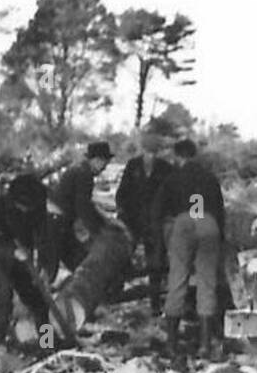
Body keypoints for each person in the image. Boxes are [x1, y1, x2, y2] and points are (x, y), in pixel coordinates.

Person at [153, 138, 226, 361]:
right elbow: (220, 212)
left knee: (177, 280)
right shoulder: (210, 177)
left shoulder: (172, 178)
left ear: (177, 156)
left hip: (184, 223)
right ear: (194, 155)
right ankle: (205, 346)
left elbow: (158, 211)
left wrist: (158, 244)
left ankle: (172, 345)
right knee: (207, 283)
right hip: (208, 224)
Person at [0, 173, 53, 341]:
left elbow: (43, 237)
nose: (27, 210)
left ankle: (47, 342)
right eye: (24, 206)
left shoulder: (38, 207)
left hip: (22, 253)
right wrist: (13, 250)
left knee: (38, 300)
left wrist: (45, 266)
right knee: (3, 291)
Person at [115, 133, 176, 314]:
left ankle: (155, 304)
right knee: (121, 257)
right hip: (133, 220)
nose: (151, 156)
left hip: (155, 222)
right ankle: (113, 293)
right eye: (148, 152)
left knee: (155, 263)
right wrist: (122, 213)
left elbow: (172, 195)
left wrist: (167, 215)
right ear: (143, 151)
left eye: (154, 153)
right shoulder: (132, 165)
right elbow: (122, 193)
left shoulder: (166, 168)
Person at [49, 141, 113, 273]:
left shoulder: (78, 169)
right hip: (57, 221)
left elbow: (86, 205)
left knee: (75, 261)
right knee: (54, 264)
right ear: (96, 160)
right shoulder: (85, 174)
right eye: (104, 162)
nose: (105, 167)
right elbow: (82, 207)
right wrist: (97, 231)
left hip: (59, 220)